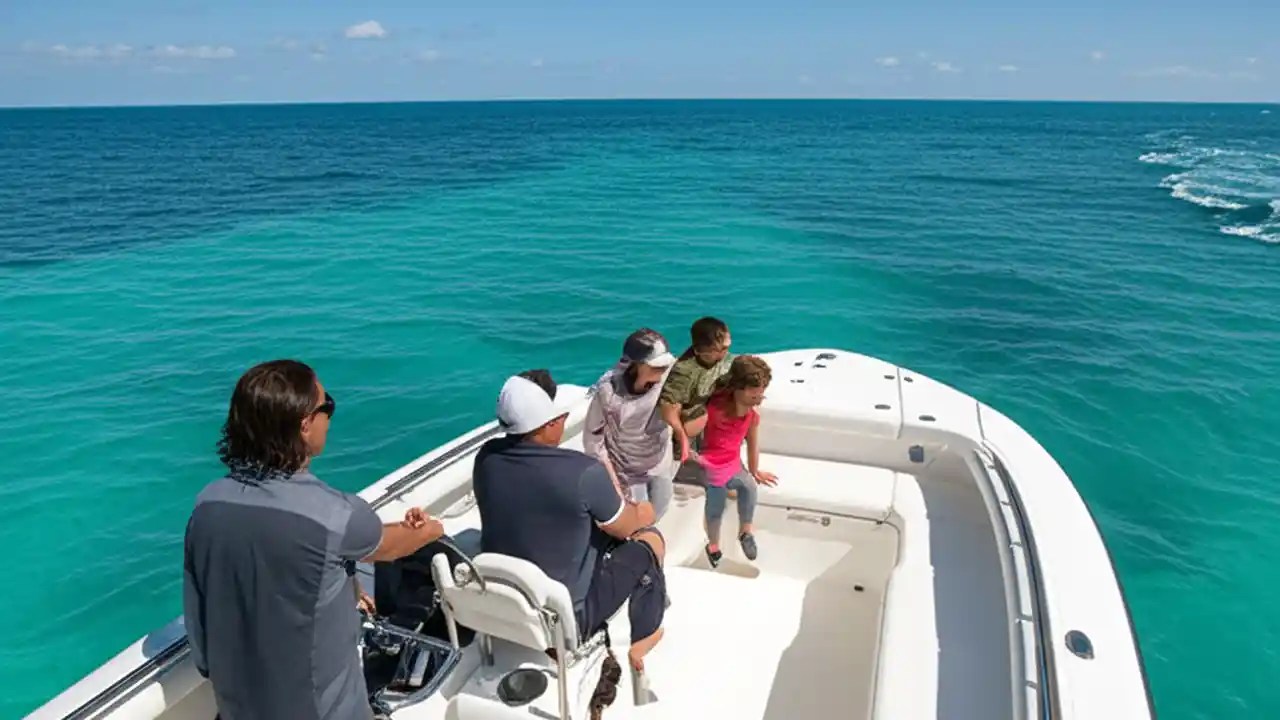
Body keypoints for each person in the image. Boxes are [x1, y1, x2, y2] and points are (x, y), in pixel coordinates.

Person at [183, 360, 446, 720]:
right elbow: (391, 546)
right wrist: (432, 529)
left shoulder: (207, 505)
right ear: (305, 425)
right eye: (328, 406)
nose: (330, 417)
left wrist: (348, 588)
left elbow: (208, 623)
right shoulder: (336, 515)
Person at [473, 369, 667, 673]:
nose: (563, 423)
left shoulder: (486, 458)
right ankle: (646, 634)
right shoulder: (583, 472)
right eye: (559, 418)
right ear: (547, 424)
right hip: (565, 621)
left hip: (502, 599)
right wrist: (644, 511)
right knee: (649, 542)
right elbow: (627, 525)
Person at [583, 328, 679, 520]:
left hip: (659, 462)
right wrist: (615, 484)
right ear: (636, 365)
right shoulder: (608, 392)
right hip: (626, 472)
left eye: (665, 365)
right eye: (656, 366)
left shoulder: (671, 378)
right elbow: (594, 441)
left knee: (660, 510)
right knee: (637, 521)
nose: (663, 370)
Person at [694, 355, 778, 568]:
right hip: (710, 465)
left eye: (761, 394)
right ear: (737, 388)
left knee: (749, 486)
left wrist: (754, 469)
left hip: (731, 463)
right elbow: (694, 434)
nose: (758, 399)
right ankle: (713, 545)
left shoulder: (752, 415)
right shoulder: (713, 410)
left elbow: (752, 443)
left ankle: (746, 532)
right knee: (716, 503)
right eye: (754, 394)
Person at [658, 317, 734, 465]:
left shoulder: (724, 358)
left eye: (727, 346)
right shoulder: (685, 372)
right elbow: (668, 408)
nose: (726, 352)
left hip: (710, 410)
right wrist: (682, 438)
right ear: (702, 350)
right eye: (721, 349)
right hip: (689, 422)